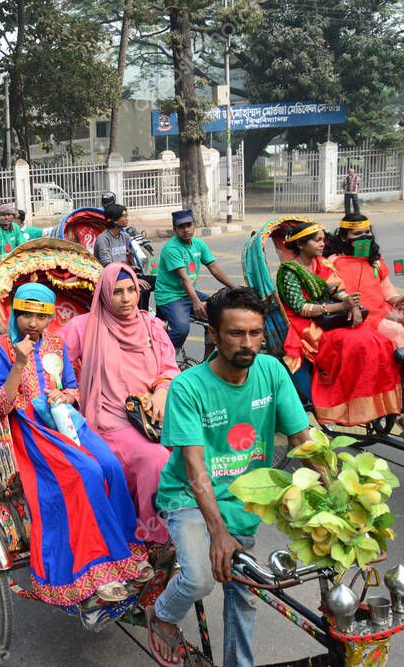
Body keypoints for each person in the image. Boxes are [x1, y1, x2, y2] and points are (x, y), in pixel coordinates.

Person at [148, 287, 312, 667]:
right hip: (188, 494)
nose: (248, 343)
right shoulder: (189, 387)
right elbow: (194, 466)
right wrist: (218, 531)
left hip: (243, 496)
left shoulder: (271, 371)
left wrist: (342, 505)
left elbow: (303, 440)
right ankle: (163, 612)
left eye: (255, 333)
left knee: (245, 586)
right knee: (200, 579)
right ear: (214, 334)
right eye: (236, 333)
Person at [0, 281, 150, 605]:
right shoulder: (0, 348)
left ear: (50, 318)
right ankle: (96, 566)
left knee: (110, 466)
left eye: (41, 317)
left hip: (65, 419)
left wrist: (65, 395)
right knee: (87, 471)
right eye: (26, 315)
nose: (33, 323)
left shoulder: (55, 343)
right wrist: (19, 364)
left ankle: (125, 551)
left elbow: (74, 387)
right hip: (30, 428)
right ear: (16, 313)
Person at [64, 263, 180, 545]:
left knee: (196, 453)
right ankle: (155, 537)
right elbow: (51, 361)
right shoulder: (84, 327)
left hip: (155, 414)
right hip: (110, 418)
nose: (126, 298)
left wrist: (162, 391)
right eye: (117, 292)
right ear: (104, 294)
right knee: (155, 459)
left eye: (131, 290)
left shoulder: (151, 326)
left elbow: (170, 367)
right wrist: (69, 392)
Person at [276, 221, 401, 424]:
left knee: (377, 341)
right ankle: (348, 398)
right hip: (305, 324)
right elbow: (300, 308)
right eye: (316, 240)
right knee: (354, 343)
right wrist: (340, 307)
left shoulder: (323, 264)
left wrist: (352, 306)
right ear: (300, 244)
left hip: (331, 318)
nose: (322, 244)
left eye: (323, 240)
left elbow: (338, 290)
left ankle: (375, 399)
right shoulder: (289, 271)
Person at [154, 209, 236, 350]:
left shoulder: (199, 244)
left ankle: (208, 359)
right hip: (169, 296)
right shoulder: (171, 249)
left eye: (188, 225)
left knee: (216, 315)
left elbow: (214, 269)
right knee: (181, 330)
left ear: (194, 225)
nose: (186, 230)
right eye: (181, 226)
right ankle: (160, 355)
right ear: (175, 229)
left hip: (188, 293)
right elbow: (184, 279)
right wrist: (196, 301)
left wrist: (234, 288)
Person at [327, 213, 404, 351]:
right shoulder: (333, 262)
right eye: (357, 233)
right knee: (397, 330)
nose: (364, 237)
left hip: (382, 311)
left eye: (367, 232)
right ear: (344, 237)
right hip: (357, 313)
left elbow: (386, 289)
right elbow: (335, 293)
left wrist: (398, 302)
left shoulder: (374, 261)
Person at [94, 203, 154, 310]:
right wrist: (133, 278)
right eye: (124, 216)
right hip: (111, 277)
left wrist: (131, 263)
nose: (127, 219)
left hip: (125, 273)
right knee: (141, 288)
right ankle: (140, 316)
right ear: (114, 221)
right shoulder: (103, 239)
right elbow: (108, 265)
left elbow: (126, 260)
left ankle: (160, 315)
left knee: (161, 282)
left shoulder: (125, 236)